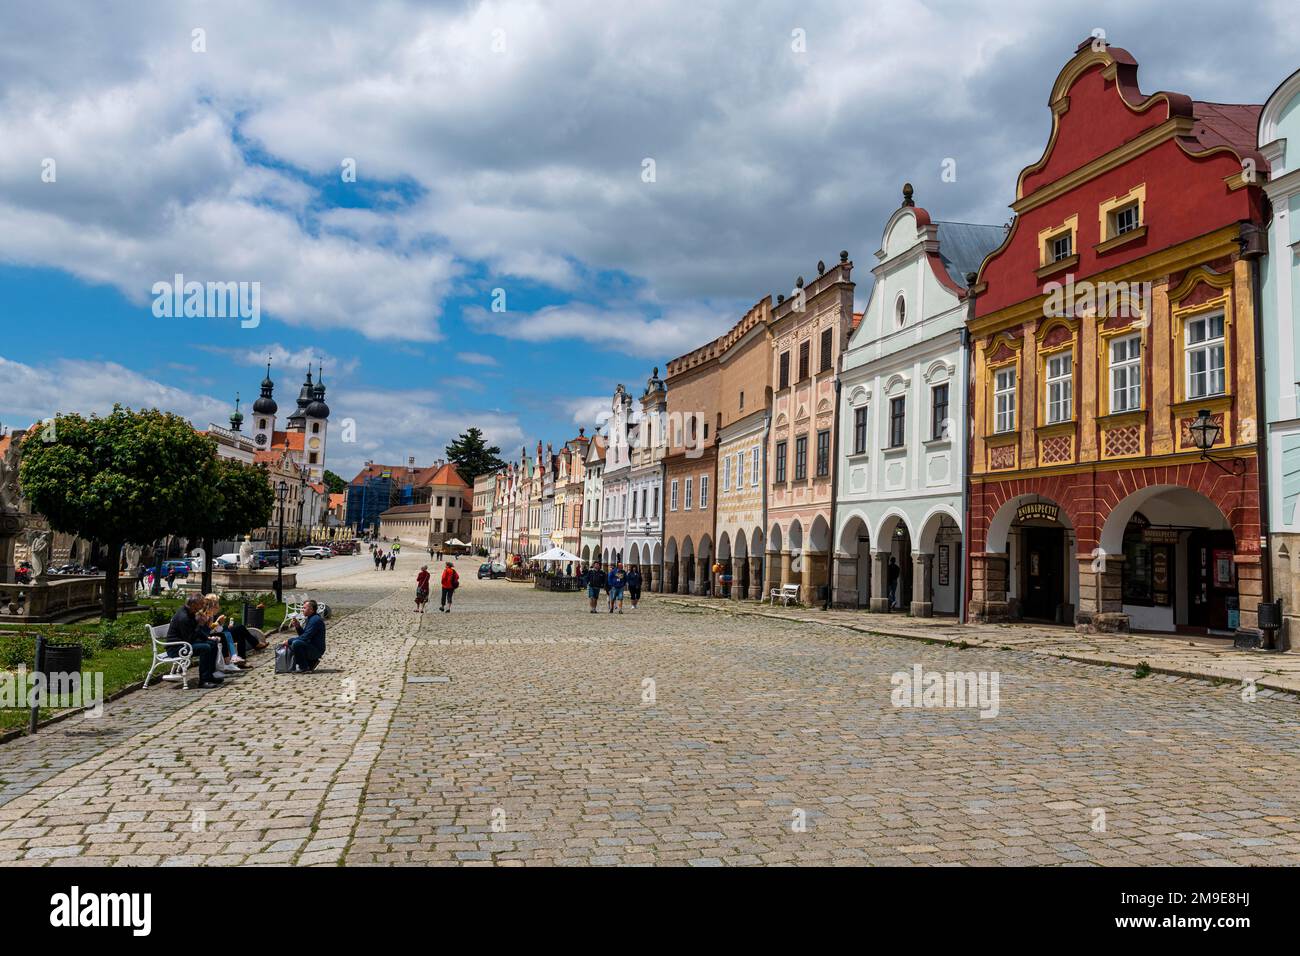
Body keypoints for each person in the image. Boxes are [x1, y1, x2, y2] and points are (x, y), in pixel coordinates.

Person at [166, 595, 221, 688]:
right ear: (194, 604)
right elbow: (190, 638)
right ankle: (203, 680)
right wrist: (200, 625)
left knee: (212, 644)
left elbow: (196, 632)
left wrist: (207, 638)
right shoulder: (184, 617)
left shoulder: (190, 612)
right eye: (201, 604)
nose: (203, 606)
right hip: (176, 648)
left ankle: (209, 676)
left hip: (184, 644)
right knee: (205, 648)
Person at [285, 599, 326, 672]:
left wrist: (289, 641)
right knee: (297, 642)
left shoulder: (315, 620)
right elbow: (304, 635)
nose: (302, 610)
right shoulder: (310, 618)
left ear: (311, 610)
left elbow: (305, 637)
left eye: (304, 608)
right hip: (311, 645)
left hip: (316, 649)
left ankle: (304, 667)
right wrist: (298, 627)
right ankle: (310, 663)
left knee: (296, 643)